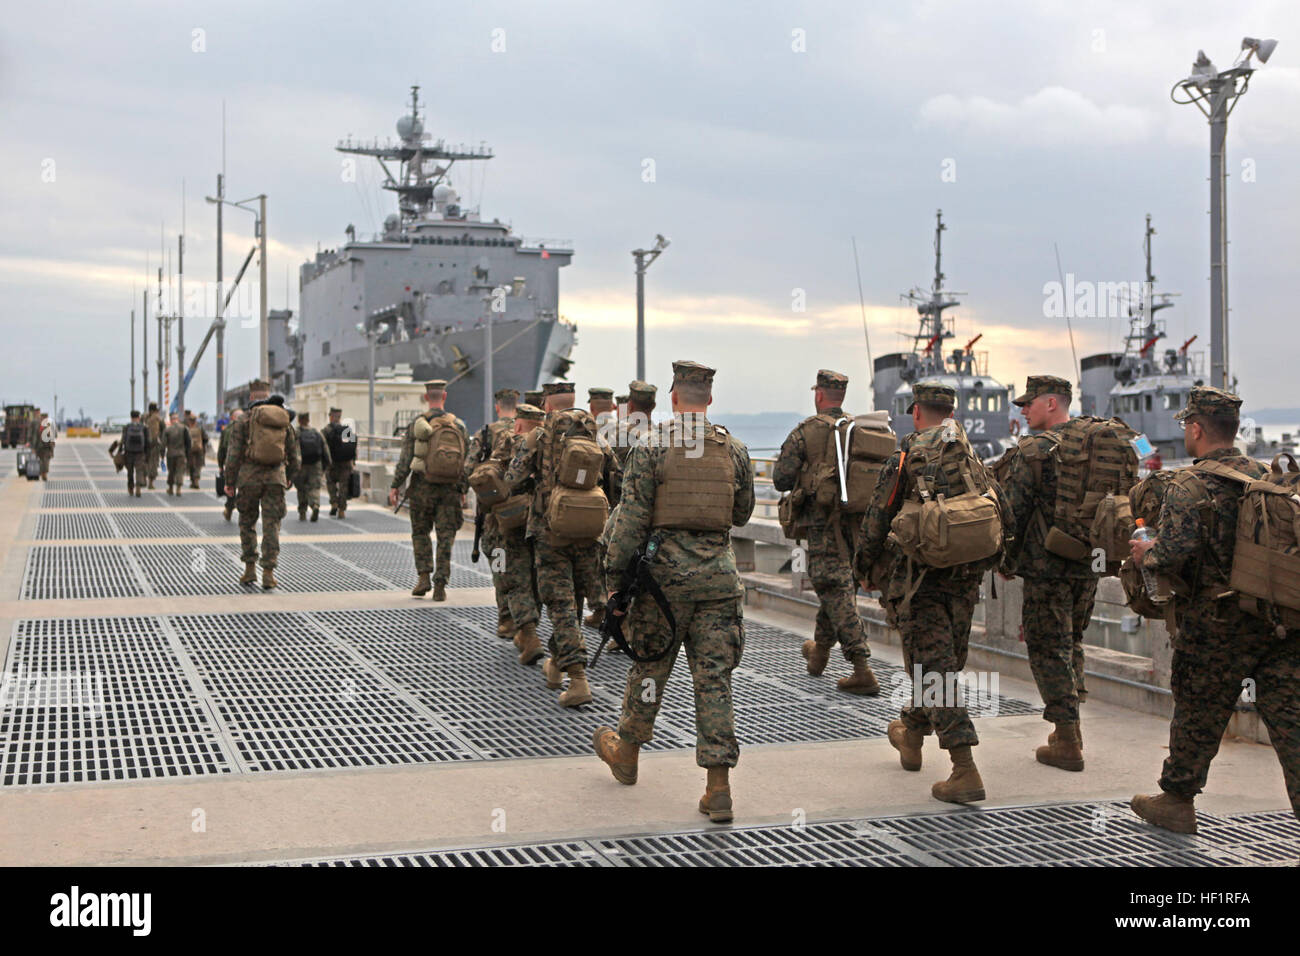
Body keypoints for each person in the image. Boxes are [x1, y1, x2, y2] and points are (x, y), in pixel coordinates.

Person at [1130, 386, 1300, 833]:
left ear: (1196, 428)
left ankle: (1176, 801)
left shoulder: (1189, 484)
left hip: (1217, 626)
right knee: (1292, 724)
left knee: (1197, 715)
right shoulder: (1268, 477)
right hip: (1277, 619)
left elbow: (1171, 556)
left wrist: (1144, 553)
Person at [593, 360, 755, 821]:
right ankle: (718, 786)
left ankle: (626, 752)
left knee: (649, 671)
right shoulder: (735, 449)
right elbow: (741, 514)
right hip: (720, 585)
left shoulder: (651, 446)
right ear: (709, 400)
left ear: (673, 398)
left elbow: (628, 524)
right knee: (714, 681)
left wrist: (613, 585)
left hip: (663, 587)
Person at [856, 382, 1005, 804]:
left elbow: (876, 519)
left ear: (916, 411)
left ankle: (964, 769)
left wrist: (863, 570)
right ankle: (910, 733)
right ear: (951, 412)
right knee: (937, 664)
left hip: (919, 584)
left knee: (936, 673)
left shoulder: (906, 457)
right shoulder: (971, 456)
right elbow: (1002, 510)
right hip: (964, 580)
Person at [998, 375, 1095, 769]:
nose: (1023, 409)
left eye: (1029, 403)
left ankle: (1068, 741)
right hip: (1088, 565)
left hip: (1046, 569)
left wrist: (1004, 560)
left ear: (1052, 403)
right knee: (1071, 644)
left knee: (1047, 649)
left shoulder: (1035, 450)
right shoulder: (1090, 443)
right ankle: (1068, 728)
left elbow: (1012, 512)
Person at [503, 381, 618, 704]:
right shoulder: (596, 436)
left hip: (550, 533)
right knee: (573, 603)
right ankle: (555, 664)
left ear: (547, 407)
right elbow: (616, 479)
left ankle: (578, 680)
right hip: (588, 532)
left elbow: (511, 481)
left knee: (560, 605)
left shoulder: (539, 436)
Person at [772, 369, 880, 694]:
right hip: (857, 530)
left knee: (835, 593)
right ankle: (818, 655)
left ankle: (862, 668)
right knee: (836, 590)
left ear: (818, 395)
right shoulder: (860, 430)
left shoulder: (807, 432)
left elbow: (780, 479)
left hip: (824, 530)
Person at [389, 380, 468, 601]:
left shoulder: (418, 423)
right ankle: (441, 583)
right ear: (444, 396)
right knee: (446, 536)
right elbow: (466, 461)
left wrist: (396, 484)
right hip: (450, 490)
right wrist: (463, 489)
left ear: (426, 397)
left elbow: (406, 458)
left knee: (421, 533)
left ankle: (423, 577)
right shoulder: (458, 425)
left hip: (422, 488)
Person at [222, 381, 300, 588]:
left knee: (247, 523)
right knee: (271, 525)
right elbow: (295, 455)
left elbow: (233, 455)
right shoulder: (283, 419)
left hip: (248, 480)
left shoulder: (243, 420)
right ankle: (268, 573)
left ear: (250, 397)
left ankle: (249, 570)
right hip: (275, 479)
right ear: (267, 394)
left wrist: (229, 481)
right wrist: (289, 476)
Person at [466, 388, 519, 634]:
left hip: (494, 514)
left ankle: (506, 618)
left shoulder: (487, 433)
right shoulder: (527, 431)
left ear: (498, 407)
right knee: (524, 564)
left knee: (500, 563)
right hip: (523, 513)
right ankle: (527, 623)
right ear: (517, 406)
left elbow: (469, 469)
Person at [496, 403, 545, 661]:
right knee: (538, 575)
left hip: (515, 521)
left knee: (516, 577)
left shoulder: (512, 442)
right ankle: (533, 631)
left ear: (518, 424)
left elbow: (504, 479)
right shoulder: (551, 445)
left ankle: (528, 633)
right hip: (545, 521)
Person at [294, 412, 332, 521]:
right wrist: (328, 463)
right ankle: (315, 505)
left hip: (301, 465)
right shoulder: (316, 432)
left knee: (301, 489)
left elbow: (292, 450)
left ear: (299, 420)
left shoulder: (296, 433)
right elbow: (325, 449)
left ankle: (302, 512)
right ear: (308, 420)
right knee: (314, 487)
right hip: (316, 464)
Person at [322, 407, 357, 518]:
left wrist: (324, 463)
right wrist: (353, 461)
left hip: (331, 463)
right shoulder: (347, 430)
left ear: (330, 416)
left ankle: (334, 503)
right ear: (339, 417)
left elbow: (322, 447)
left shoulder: (326, 430)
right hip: (346, 463)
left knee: (330, 484)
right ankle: (342, 510)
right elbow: (353, 447)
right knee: (344, 486)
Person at [217, 409, 244, 520]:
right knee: (244, 489)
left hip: (231, 463)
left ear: (232, 418)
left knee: (230, 488)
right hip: (245, 465)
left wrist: (220, 465)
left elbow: (221, 450)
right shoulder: (248, 428)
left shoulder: (226, 430)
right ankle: (243, 513)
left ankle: (229, 510)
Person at [119, 410, 150, 497]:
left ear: (131, 418)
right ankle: (138, 487)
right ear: (139, 418)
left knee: (130, 471)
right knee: (139, 470)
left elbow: (123, 440)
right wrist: (147, 453)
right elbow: (148, 441)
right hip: (140, 452)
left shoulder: (127, 427)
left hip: (129, 452)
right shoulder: (144, 427)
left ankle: (130, 487)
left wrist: (120, 451)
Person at [162, 413, 192, 496]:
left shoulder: (167, 430)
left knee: (171, 471)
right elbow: (188, 442)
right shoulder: (184, 428)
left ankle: (171, 488)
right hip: (181, 454)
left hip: (170, 454)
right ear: (177, 419)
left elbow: (163, 444)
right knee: (180, 471)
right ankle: (178, 489)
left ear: (171, 420)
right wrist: (187, 454)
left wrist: (162, 454)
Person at [185, 411, 209, 490]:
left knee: (191, 466)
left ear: (189, 421)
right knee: (198, 466)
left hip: (190, 451)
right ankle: (196, 480)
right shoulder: (200, 429)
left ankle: (193, 481)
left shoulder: (187, 429)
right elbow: (206, 438)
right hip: (199, 450)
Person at [31, 411, 55, 481]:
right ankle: (43, 473)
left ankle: (43, 473)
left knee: (44, 461)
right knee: (44, 461)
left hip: (45, 447)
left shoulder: (46, 425)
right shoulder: (41, 425)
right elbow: (35, 436)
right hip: (43, 447)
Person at [144, 402, 163, 489]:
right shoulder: (158, 418)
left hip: (145, 443)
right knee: (154, 462)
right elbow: (164, 430)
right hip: (155, 443)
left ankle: (143, 479)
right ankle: (150, 482)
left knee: (145, 461)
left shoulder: (144, 417)